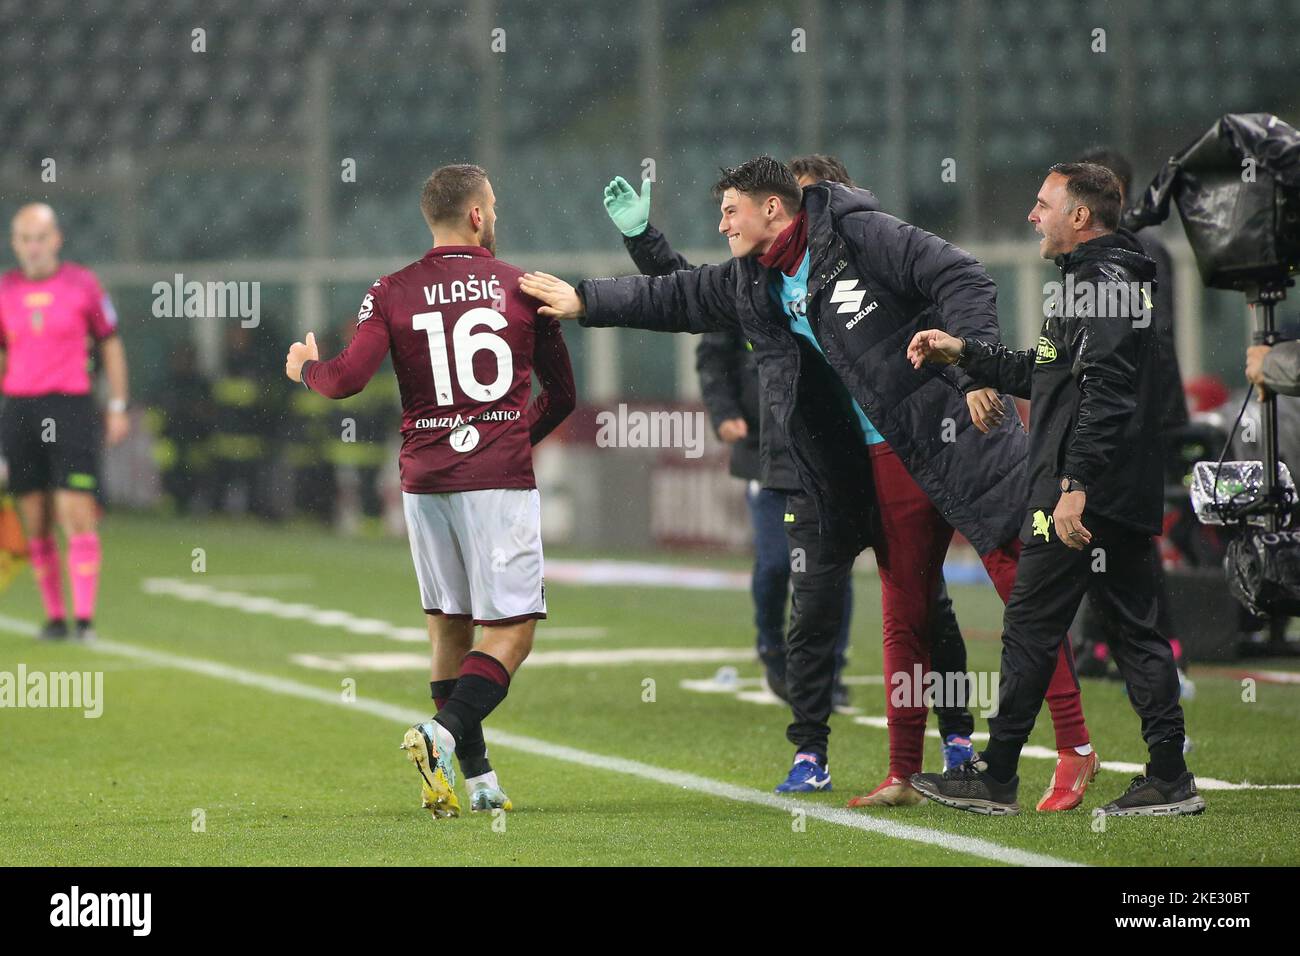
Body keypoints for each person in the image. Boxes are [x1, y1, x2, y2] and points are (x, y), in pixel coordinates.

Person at [522, 155, 1095, 810]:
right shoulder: (751, 280)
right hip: (881, 455)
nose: (722, 223)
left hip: (960, 428)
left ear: (773, 208)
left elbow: (962, 275)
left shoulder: (861, 233)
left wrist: (976, 371)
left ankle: (1076, 752)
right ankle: (904, 773)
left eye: (730, 210)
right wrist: (586, 299)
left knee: (1022, 595)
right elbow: (676, 295)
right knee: (904, 610)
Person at [602, 155, 981, 796]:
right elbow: (690, 296)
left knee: (924, 606)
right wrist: (643, 239)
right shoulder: (760, 278)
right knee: (809, 607)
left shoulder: (867, 257)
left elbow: (949, 289)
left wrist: (970, 372)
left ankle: (959, 740)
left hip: (893, 451)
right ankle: (811, 753)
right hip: (810, 465)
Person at [908, 163, 1203, 817]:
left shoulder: (1102, 283)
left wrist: (1075, 486)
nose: (1031, 217)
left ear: (1079, 217)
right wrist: (964, 353)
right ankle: (1169, 776)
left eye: (1043, 205)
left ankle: (998, 774)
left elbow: (1108, 390)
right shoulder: (1097, 281)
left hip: (1083, 494)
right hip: (1110, 489)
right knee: (1132, 631)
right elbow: (1047, 376)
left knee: (1033, 628)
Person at [284, 164, 576, 817]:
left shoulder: (391, 290)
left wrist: (306, 369)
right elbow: (564, 395)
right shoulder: (523, 287)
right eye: (492, 206)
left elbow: (346, 380)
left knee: (449, 628)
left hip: (424, 479)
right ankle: (440, 734)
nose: (495, 216)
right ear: (476, 215)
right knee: (512, 633)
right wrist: (509, 438)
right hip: (495, 480)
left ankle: (474, 779)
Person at [0, 203, 129, 642]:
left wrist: (116, 405)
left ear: (56, 240)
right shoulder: (4, 291)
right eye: (24, 239)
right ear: (14, 243)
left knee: (76, 510)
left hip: (70, 407)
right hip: (19, 409)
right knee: (35, 518)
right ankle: (55, 618)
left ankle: (86, 620)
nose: (32, 247)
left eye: (40, 238)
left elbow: (110, 344)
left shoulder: (83, 285)